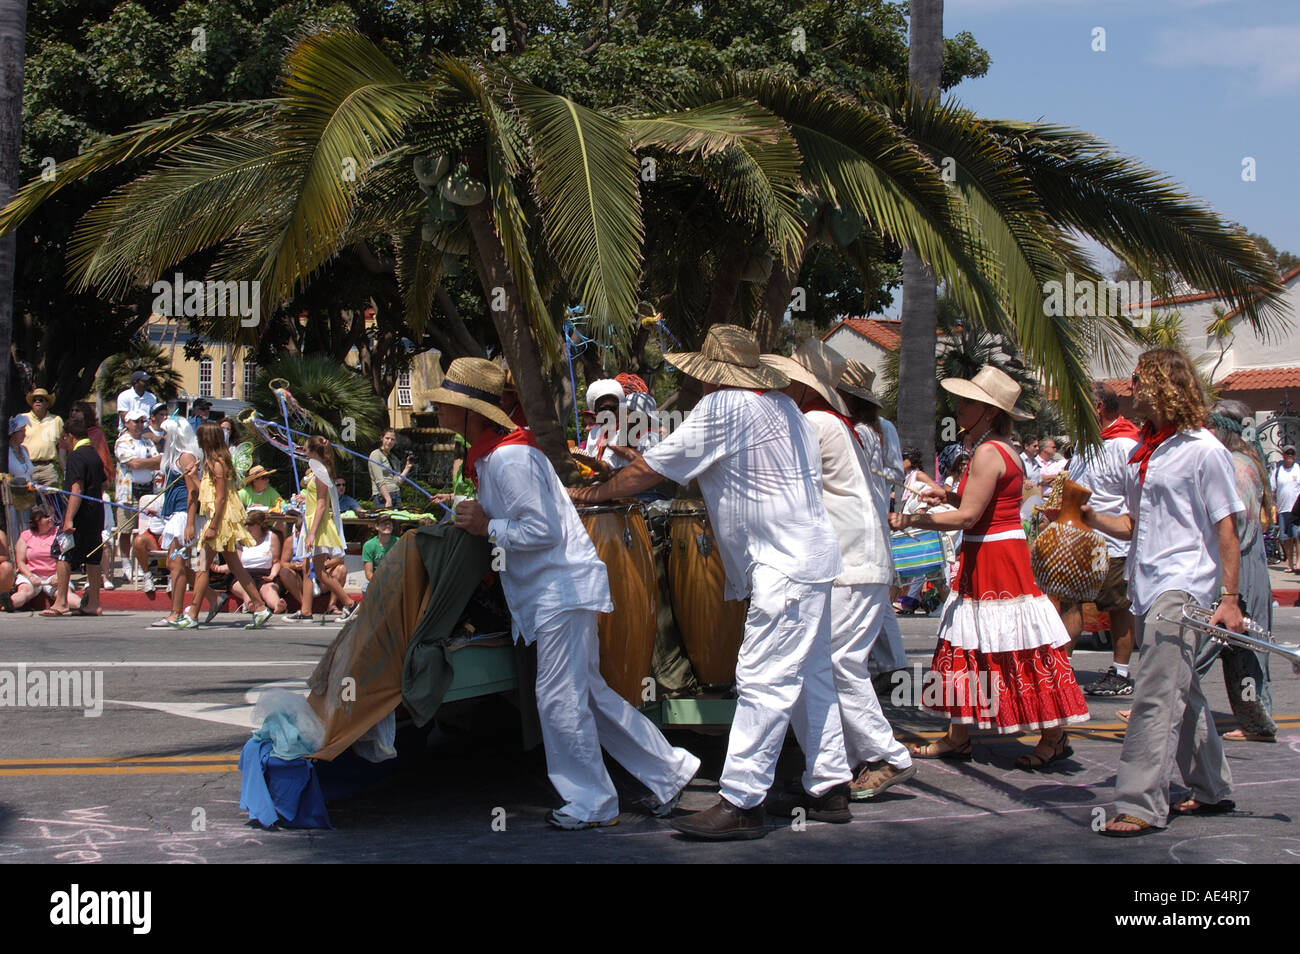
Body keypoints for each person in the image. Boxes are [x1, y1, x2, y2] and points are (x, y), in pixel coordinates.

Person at [571, 326, 850, 840]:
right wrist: (644, 466)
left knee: (763, 676)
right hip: (811, 559)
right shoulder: (785, 409)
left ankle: (742, 801)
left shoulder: (725, 409)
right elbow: (718, 472)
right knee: (811, 677)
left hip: (784, 564)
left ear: (711, 378)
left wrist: (590, 495)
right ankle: (829, 784)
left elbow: (655, 471)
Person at [429, 357, 699, 829]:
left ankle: (593, 801)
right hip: (560, 590)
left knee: (560, 699)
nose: (438, 409)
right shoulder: (502, 456)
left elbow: (543, 531)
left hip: (560, 589)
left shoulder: (510, 458)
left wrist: (487, 525)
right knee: (588, 695)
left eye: (448, 402)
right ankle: (669, 770)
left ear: (473, 411)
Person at [888, 365, 1089, 767]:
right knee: (975, 640)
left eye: (968, 403)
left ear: (989, 412)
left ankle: (1052, 734)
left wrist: (911, 520)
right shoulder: (1001, 448)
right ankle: (959, 734)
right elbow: (975, 503)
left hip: (995, 556)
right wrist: (943, 492)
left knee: (1009, 642)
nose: (959, 408)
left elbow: (967, 517)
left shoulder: (987, 452)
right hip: (993, 553)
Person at [1082, 349, 1243, 836]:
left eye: (1141, 381)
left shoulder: (1204, 450)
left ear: (1165, 385)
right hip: (1147, 586)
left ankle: (1139, 802)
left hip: (1183, 585)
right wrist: (1087, 517)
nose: (1133, 390)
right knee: (1181, 690)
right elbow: (1133, 524)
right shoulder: (1143, 454)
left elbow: (1227, 528)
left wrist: (1230, 599)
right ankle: (1212, 786)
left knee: (1154, 694)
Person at [761, 340, 915, 802]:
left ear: (801, 384)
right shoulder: (836, 423)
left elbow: (790, 486)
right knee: (834, 662)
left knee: (836, 662)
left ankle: (885, 754)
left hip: (850, 560)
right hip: (859, 557)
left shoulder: (815, 422)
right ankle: (838, 765)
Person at [1195, 400, 1277, 742]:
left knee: (1219, 644)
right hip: (1238, 567)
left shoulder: (1239, 466)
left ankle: (1257, 721)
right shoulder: (1232, 462)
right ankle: (1256, 721)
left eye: (1212, 427)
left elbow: (1236, 527)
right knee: (1236, 650)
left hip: (1241, 569)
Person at [1062, 383, 1140, 695]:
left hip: (1113, 543)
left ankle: (1120, 674)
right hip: (1078, 540)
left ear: (1098, 407)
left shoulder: (1125, 444)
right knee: (1070, 604)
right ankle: (1062, 670)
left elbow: (1134, 499)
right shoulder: (1084, 444)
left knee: (1118, 607)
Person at [836, 361, 908, 679]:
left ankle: (888, 664)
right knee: (873, 593)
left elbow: (894, 473)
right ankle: (888, 664)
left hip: (863, 518)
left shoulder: (874, 429)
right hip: (869, 516)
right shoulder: (866, 428)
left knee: (868, 593)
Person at [180, 422, 274, 630]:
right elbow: (205, 493)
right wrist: (191, 475)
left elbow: (221, 498)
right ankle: (259, 607)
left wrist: (213, 526)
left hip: (220, 521)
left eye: (200, 438)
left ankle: (193, 613)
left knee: (203, 565)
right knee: (234, 566)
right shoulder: (210, 463)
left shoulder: (218, 464)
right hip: (218, 518)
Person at [283, 436, 356, 623]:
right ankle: (306, 611)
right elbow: (316, 500)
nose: (305, 452)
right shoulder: (318, 472)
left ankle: (349, 602)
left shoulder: (322, 473)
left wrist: (312, 533)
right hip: (312, 523)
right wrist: (305, 500)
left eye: (308, 450)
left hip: (318, 526)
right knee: (310, 568)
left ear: (316, 452)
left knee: (319, 571)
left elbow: (322, 505)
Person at [42, 414, 106, 617]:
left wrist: (68, 518)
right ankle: (93, 603)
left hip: (79, 516)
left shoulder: (77, 457)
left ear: (70, 436)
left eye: (64, 439)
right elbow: (103, 483)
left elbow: (76, 489)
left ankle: (61, 602)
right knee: (92, 557)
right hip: (95, 513)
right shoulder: (94, 454)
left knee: (62, 553)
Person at [7, 506, 81, 612]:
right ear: (37, 521)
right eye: (46, 517)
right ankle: (8, 604)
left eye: (50, 516)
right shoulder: (26, 535)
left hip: (54, 575)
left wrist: (58, 575)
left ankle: (81, 604)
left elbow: (66, 557)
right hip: (32, 575)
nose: (50, 519)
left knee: (63, 593)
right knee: (24, 591)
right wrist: (31, 577)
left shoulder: (58, 533)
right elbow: (20, 562)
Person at [224, 510, 286, 615]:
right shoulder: (240, 539)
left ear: (260, 525)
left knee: (268, 589)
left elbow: (276, 561)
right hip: (244, 573)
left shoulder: (271, 537)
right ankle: (250, 603)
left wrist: (272, 575)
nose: (247, 527)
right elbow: (236, 563)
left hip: (265, 573)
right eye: (245, 524)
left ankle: (277, 605)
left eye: (250, 524)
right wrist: (219, 568)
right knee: (244, 587)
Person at [24, 388, 64, 488]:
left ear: (47, 403)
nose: (37, 401)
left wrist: (65, 468)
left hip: (48, 468)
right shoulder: (22, 418)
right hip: (27, 467)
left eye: (41, 399)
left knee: (51, 500)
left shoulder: (56, 420)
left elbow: (63, 446)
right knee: (28, 501)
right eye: (35, 400)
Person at [1271, 444, 1300, 573]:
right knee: (1287, 538)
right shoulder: (1278, 471)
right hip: (1283, 509)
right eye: (1287, 454)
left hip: (1296, 510)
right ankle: (1290, 564)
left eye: (1292, 454)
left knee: (1297, 536)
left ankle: (1298, 562)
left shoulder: (1298, 469)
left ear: (1295, 456)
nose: (1290, 456)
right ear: (1283, 455)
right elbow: (1272, 489)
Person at [368, 429, 413, 508]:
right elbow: (379, 480)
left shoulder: (394, 458)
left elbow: (398, 481)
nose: (389, 441)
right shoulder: (376, 455)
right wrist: (388, 499)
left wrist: (407, 467)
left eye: (392, 439)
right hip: (382, 497)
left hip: (396, 494)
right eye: (387, 438)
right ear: (382, 438)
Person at [7, 414, 36, 534]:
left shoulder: (24, 450)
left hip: (28, 495)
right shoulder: (5, 452)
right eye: (21, 431)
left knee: (27, 528)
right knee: (14, 529)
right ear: (13, 433)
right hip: (13, 497)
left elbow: (30, 474)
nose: (24, 434)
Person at [361, 514, 397, 590]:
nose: (387, 526)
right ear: (376, 527)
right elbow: (369, 573)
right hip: (377, 580)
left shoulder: (400, 542)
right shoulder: (369, 545)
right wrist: (382, 583)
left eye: (389, 523)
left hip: (395, 579)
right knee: (365, 588)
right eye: (384, 524)